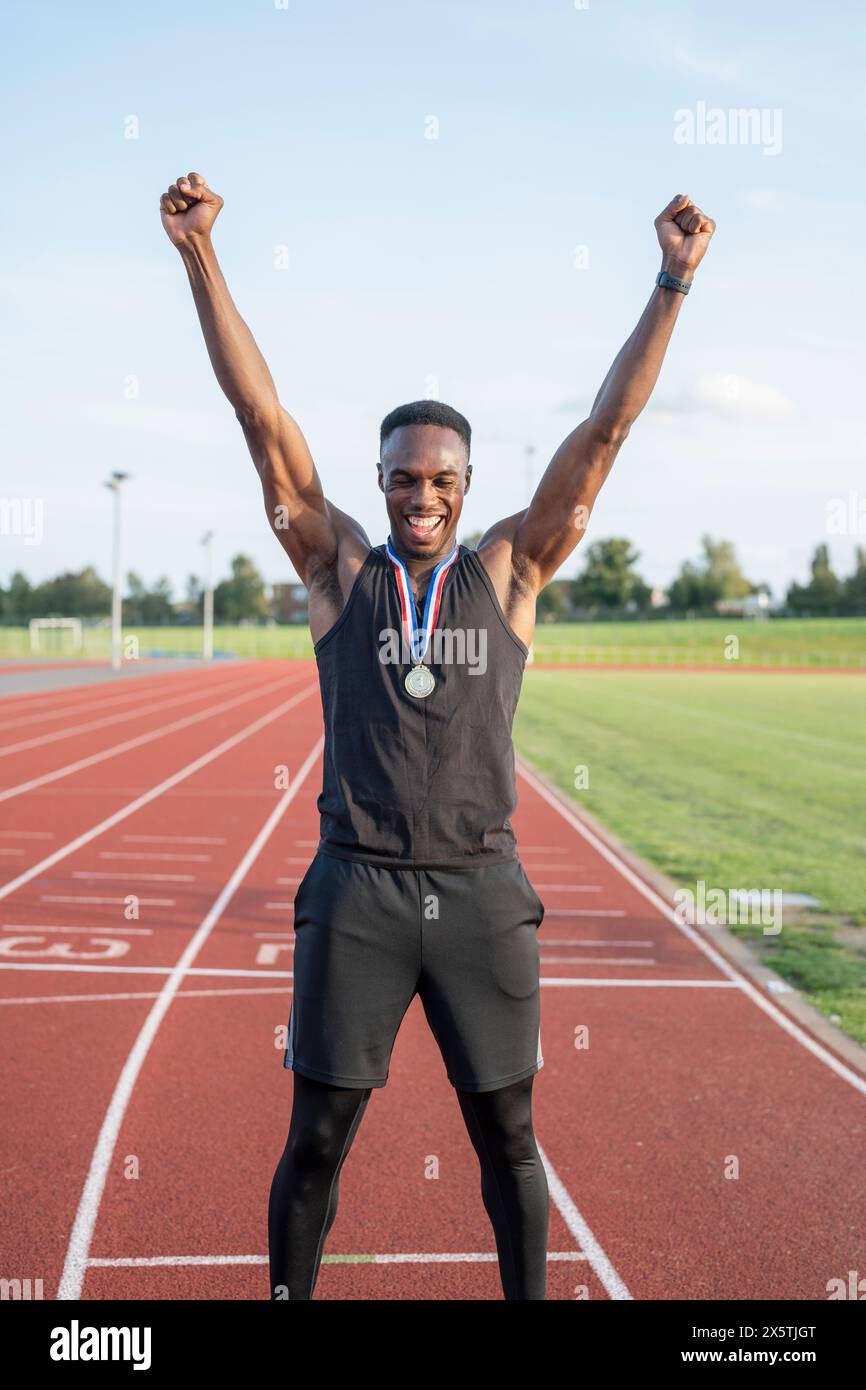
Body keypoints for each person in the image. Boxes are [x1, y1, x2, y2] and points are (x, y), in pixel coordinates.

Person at [159, 173, 715, 1300]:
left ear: (467, 486)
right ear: (378, 480)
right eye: (403, 478)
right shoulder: (338, 569)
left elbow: (604, 433)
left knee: (506, 1137)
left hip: (476, 890)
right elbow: (261, 421)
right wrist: (198, 254)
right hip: (356, 889)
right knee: (315, 1142)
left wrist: (669, 281)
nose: (422, 496)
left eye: (442, 480)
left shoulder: (509, 570)